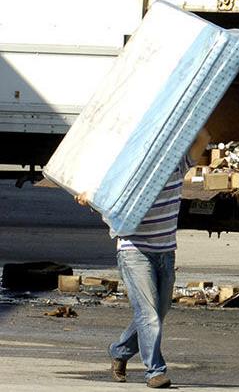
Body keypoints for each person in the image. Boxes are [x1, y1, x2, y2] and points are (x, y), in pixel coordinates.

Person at [76, 128, 212, 388]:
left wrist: (188, 116)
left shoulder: (177, 164)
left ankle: (120, 351)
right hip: (133, 250)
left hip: (165, 250)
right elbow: (100, 194)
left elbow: (204, 138)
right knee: (148, 315)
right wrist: (88, 196)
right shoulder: (129, 176)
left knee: (157, 314)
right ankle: (155, 371)